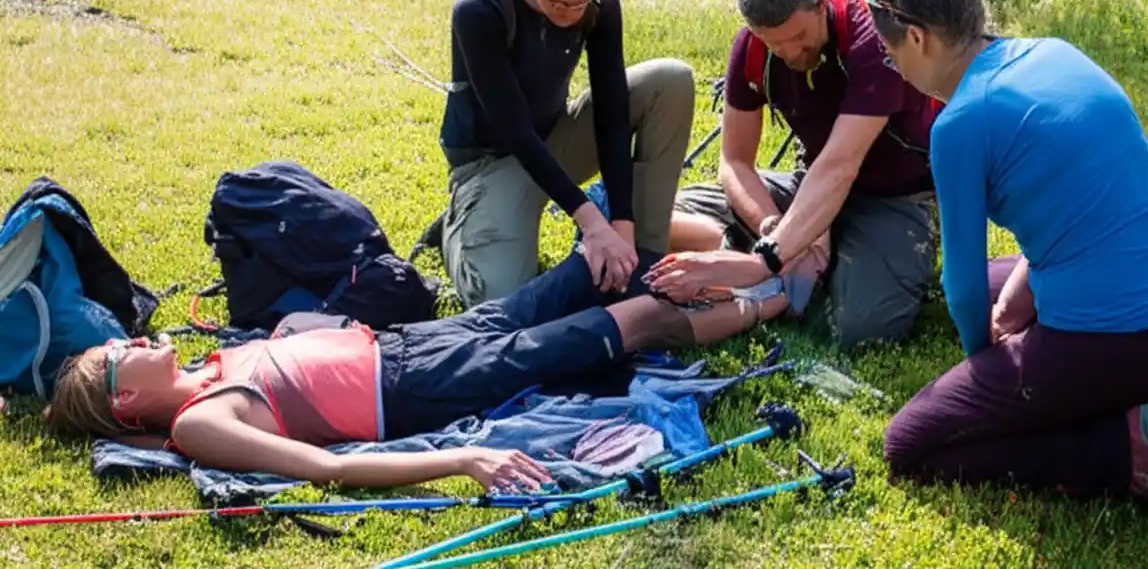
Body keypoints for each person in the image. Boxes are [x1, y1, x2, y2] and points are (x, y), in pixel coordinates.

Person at [868, 0, 1148, 531]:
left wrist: (988, 370)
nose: (895, 69)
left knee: (911, 443)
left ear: (918, 38)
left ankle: (1124, 451)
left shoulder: (959, 124)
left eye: (893, 56)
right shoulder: (1055, 52)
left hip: (1125, 341)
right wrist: (1014, 298)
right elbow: (1081, 200)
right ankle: (1137, 404)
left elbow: (958, 288)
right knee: (996, 280)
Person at [43, 251, 788, 492]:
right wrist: (463, 456)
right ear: (130, 398)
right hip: (420, 390)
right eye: (118, 358)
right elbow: (322, 466)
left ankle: (741, 259)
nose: (131, 343)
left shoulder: (210, 365)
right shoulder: (200, 423)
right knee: (634, 323)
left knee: (593, 268)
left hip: (417, 340)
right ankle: (776, 296)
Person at [658, 0, 939, 348]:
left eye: (801, 37)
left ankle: (766, 276)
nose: (790, 53)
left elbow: (841, 165)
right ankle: (789, 267)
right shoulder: (751, 48)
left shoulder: (875, 34)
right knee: (655, 216)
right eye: (774, 43)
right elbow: (735, 162)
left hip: (894, 195)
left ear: (822, 1)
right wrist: (774, 227)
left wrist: (769, 256)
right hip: (809, 182)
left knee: (862, 331)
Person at [439, 0, 695, 307]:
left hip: (555, 138)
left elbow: (612, 112)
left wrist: (622, 227)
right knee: (502, 302)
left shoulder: (599, 6)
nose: (573, 13)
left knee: (671, 80)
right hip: (495, 163)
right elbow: (514, 129)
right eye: (559, 3)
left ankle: (644, 261)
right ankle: (460, 223)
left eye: (584, 2)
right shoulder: (479, 10)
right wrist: (591, 221)